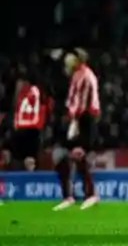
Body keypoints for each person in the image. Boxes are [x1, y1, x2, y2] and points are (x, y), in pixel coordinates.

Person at [54, 49, 100, 211]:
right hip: (76, 119)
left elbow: (85, 104)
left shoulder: (86, 76)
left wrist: (76, 124)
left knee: (79, 156)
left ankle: (91, 195)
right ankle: (69, 196)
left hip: (85, 119)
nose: (66, 62)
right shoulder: (76, 76)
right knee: (62, 158)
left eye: (69, 60)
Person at [11, 76, 50, 171]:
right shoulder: (17, 102)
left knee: (30, 161)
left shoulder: (35, 97)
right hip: (18, 138)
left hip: (31, 135)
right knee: (17, 162)